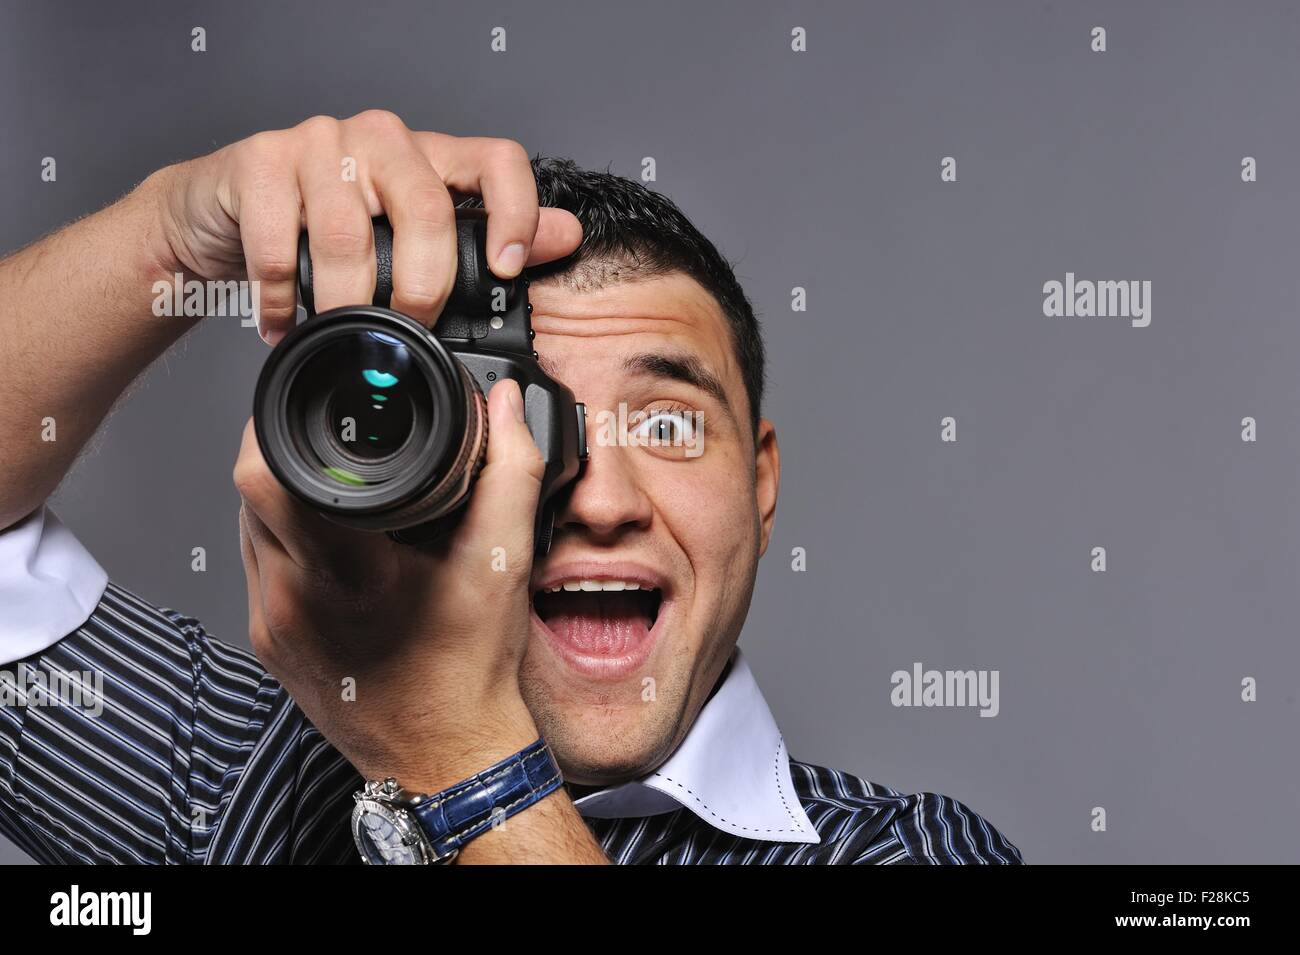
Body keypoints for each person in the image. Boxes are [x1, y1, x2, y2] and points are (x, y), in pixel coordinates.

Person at [0, 111, 1023, 864]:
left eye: (665, 423)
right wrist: (176, 233)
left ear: (759, 485)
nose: (598, 496)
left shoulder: (905, 851)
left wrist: (458, 758)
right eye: (522, 419)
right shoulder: (235, 782)